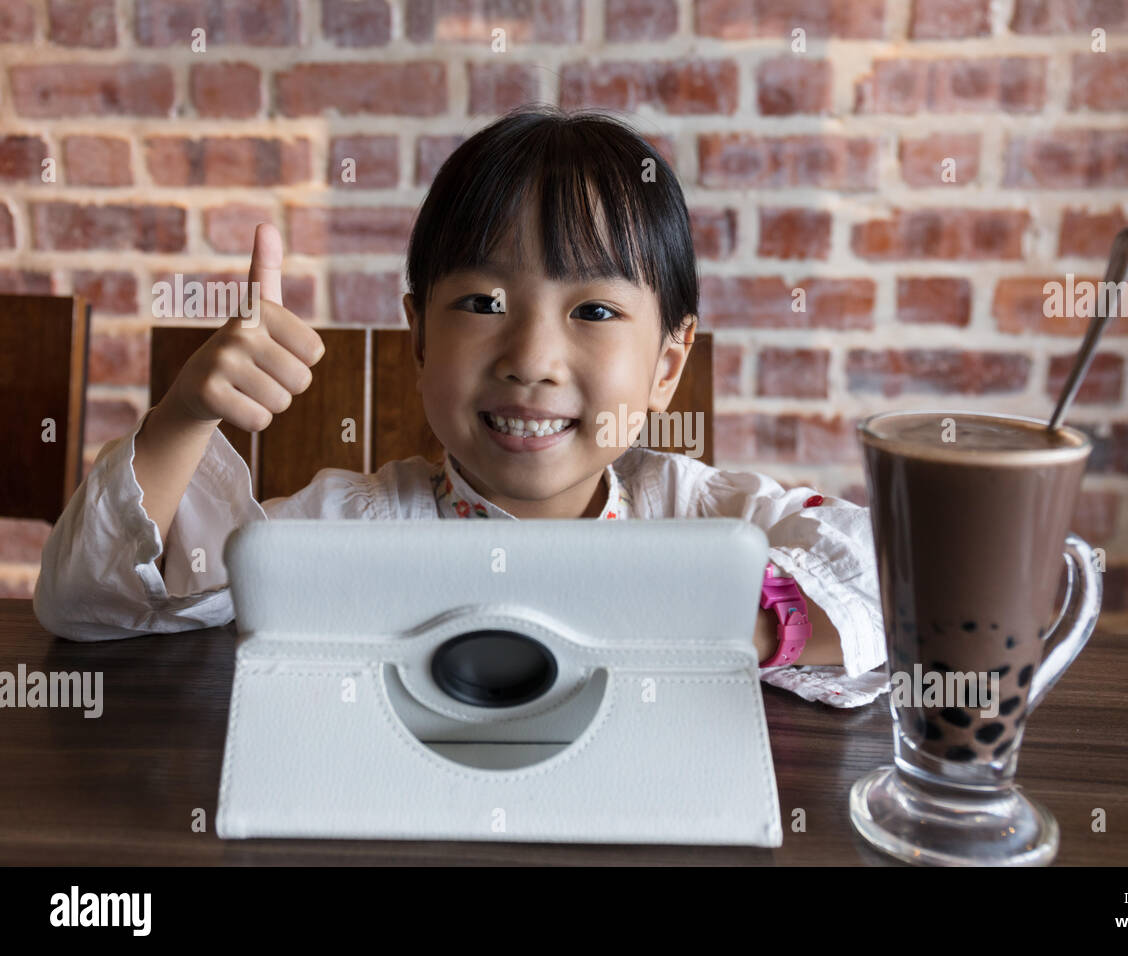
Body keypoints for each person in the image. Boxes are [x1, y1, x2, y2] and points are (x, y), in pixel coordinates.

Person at [34, 105, 889, 708]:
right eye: (483, 304)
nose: (530, 360)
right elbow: (89, 608)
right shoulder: (350, 525)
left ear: (667, 365)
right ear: (417, 336)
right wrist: (184, 415)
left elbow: (890, 580)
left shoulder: (702, 513)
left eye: (593, 311)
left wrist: (723, 614)